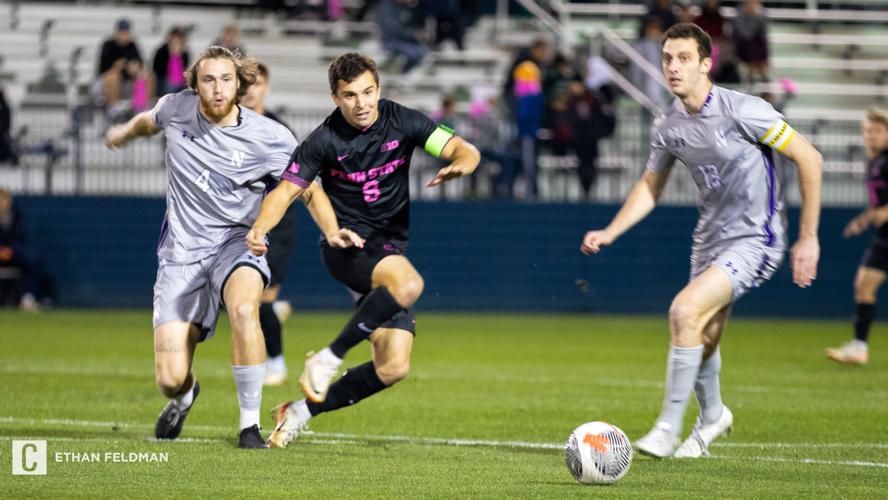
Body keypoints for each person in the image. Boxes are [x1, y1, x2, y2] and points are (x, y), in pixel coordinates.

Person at [580, 23, 822, 458]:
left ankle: (667, 429)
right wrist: (610, 231)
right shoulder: (668, 123)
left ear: (706, 64)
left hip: (756, 239)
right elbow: (650, 187)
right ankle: (713, 418)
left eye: (684, 58)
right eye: (668, 58)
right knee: (702, 335)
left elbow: (810, 158)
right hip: (708, 241)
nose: (673, 66)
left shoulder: (743, 110)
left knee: (683, 310)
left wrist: (808, 238)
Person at [104, 46, 361, 448]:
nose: (218, 88)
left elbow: (309, 190)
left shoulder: (270, 136)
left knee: (245, 308)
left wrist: (331, 232)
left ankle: (248, 427)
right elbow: (145, 121)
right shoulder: (176, 108)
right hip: (181, 255)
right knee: (170, 379)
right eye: (208, 79)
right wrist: (122, 132)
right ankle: (186, 396)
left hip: (236, 246)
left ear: (240, 83)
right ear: (195, 85)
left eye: (226, 79)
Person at [246, 52, 480, 448]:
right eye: (350, 95)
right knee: (409, 283)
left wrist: (464, 163)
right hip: (345, 245)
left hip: (388, 250)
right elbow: (286, 191)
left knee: (393, 366)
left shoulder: (403, 120)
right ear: (335, 97)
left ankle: (299, 411)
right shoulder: (323, 140)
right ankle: (328, 358)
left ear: (379, 89)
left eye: (368, 92)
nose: (362, 103)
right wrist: (259, 229)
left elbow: (462, 147)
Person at [241, 62, 297, 386]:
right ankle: (277, 313)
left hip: (277, 225)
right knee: (237, 300)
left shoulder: (279, 130)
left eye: (257, 83)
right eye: (245, 84)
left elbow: (294, 182)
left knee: (260, 300)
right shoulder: (228, 127)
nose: (250, 90)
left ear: (267, 88)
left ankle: (275, 363)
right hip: (238, 226)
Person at [827, 108, 888, 365]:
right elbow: (879, 206)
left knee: (864, 286)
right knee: (863, 286)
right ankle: (859, 347)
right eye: (868, 131)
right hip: (883, 236)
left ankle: (859, 347)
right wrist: (862, 221)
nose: (871, 136)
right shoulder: (876, 161)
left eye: (878, 131)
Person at [0, 188, 51, 310]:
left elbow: (20, 238)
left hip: (12, 254)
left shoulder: (16, 215)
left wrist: (10, 251)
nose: (3, 203)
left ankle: (28, 298)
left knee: (35, 260)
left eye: (5, 200)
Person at [97, 18, 142, 108]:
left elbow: (139, 65)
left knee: (143, 77)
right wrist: (117, 67)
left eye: (126, 32)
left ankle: (140, 109)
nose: (124, 35)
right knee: (113, 77)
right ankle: (113, 110)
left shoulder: (132, 46)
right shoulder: (108, 45)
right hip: (105, 82)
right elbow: (103, 69)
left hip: (127, 82)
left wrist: (134, 69)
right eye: (122, 32)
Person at [152, 26, 190, 98]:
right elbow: (157, 70)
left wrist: (178, 56)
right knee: (170, 84)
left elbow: (185, 71)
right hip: (163, 81)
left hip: (180, 82)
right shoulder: (161, 51)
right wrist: (173, 56)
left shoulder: (185, 53)